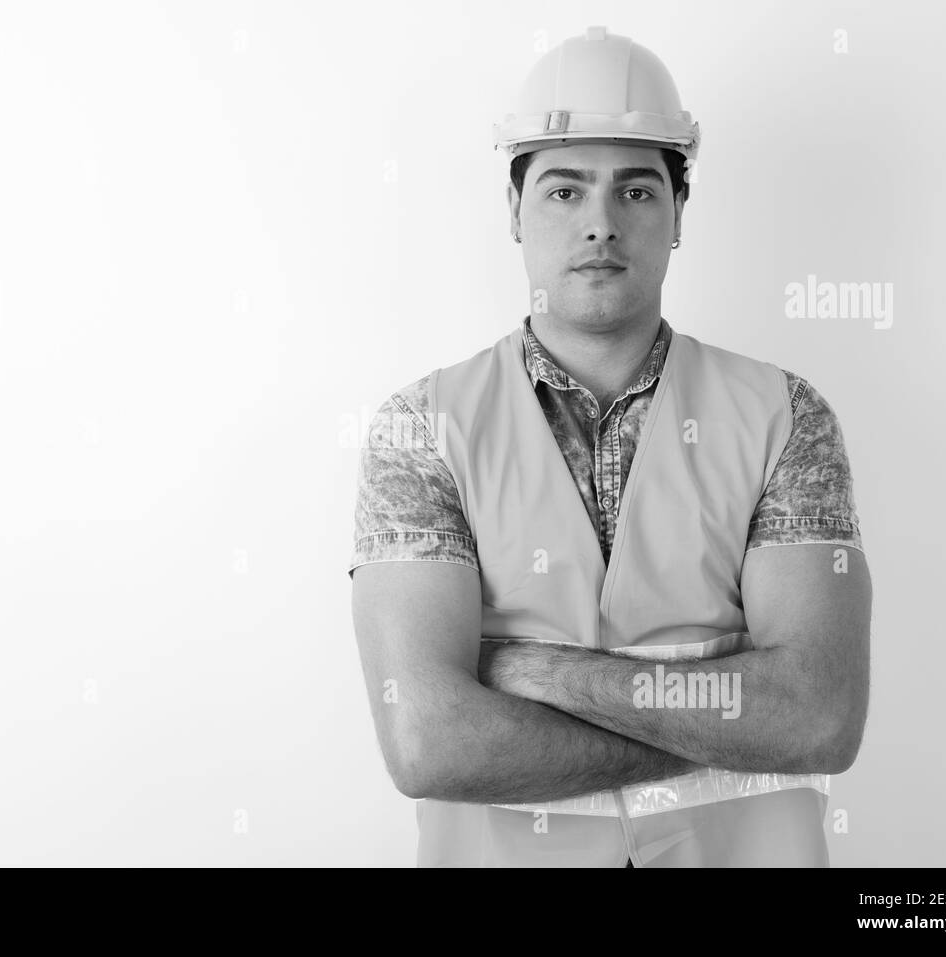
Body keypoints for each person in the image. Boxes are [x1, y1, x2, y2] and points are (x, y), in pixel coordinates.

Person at [347, 26, 871, 867]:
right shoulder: (421, 430)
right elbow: (429, 743)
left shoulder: (785, 416)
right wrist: (734, 716)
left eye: (635, 190)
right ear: (514, 210)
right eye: (565, 190)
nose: (600, 225)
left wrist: (540, 674)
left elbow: (817, 717)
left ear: (678, 213)